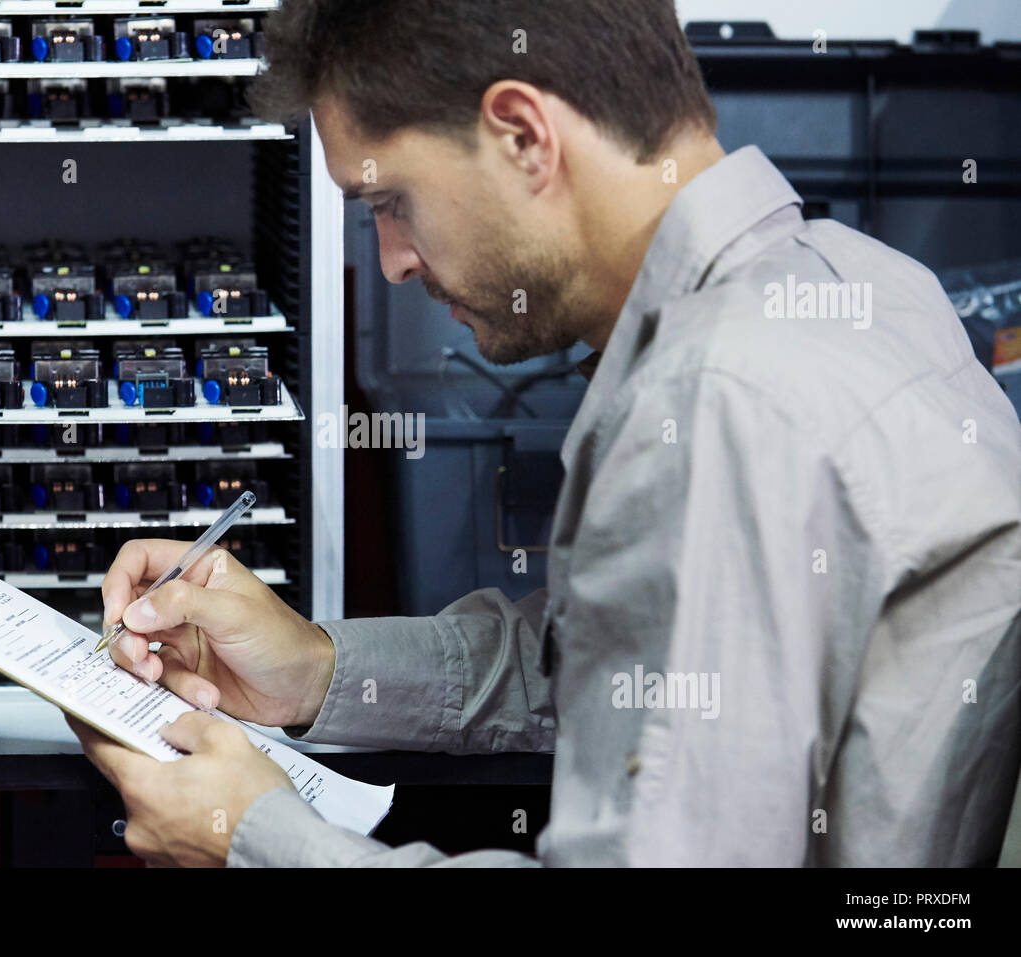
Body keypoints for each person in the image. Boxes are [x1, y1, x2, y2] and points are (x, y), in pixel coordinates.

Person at [66, 0, 1021, 866]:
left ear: (524, 135)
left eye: (391, 202)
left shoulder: (721, 401)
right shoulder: (861, 284)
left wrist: (256, 836)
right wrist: (317, 669)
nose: (392, 261)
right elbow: (637, 666)